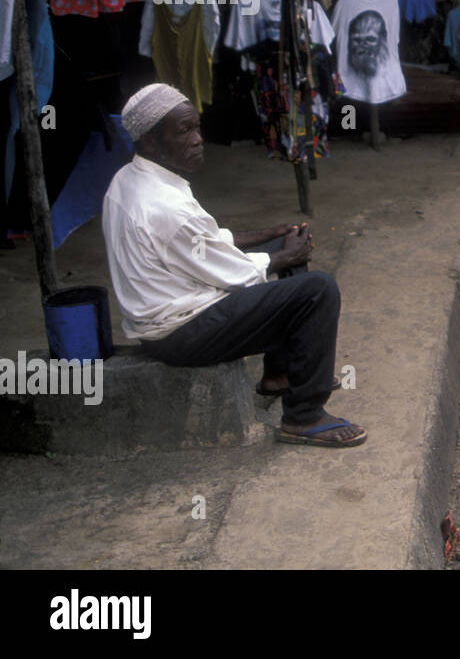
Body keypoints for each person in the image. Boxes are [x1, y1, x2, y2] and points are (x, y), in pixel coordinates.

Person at [101, 83, 366, 447]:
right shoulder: (163, 206)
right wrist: (286, 256)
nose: (197, 139)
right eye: (184, 131)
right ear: (149, 141)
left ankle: (280, 374)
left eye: (196, 127)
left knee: (281, 246)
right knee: (318, 290)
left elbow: (206, 241)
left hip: (172, 313)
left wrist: (271, 235)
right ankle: (303, 416)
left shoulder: (130, 179)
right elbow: (234, 273)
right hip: (179, 333)